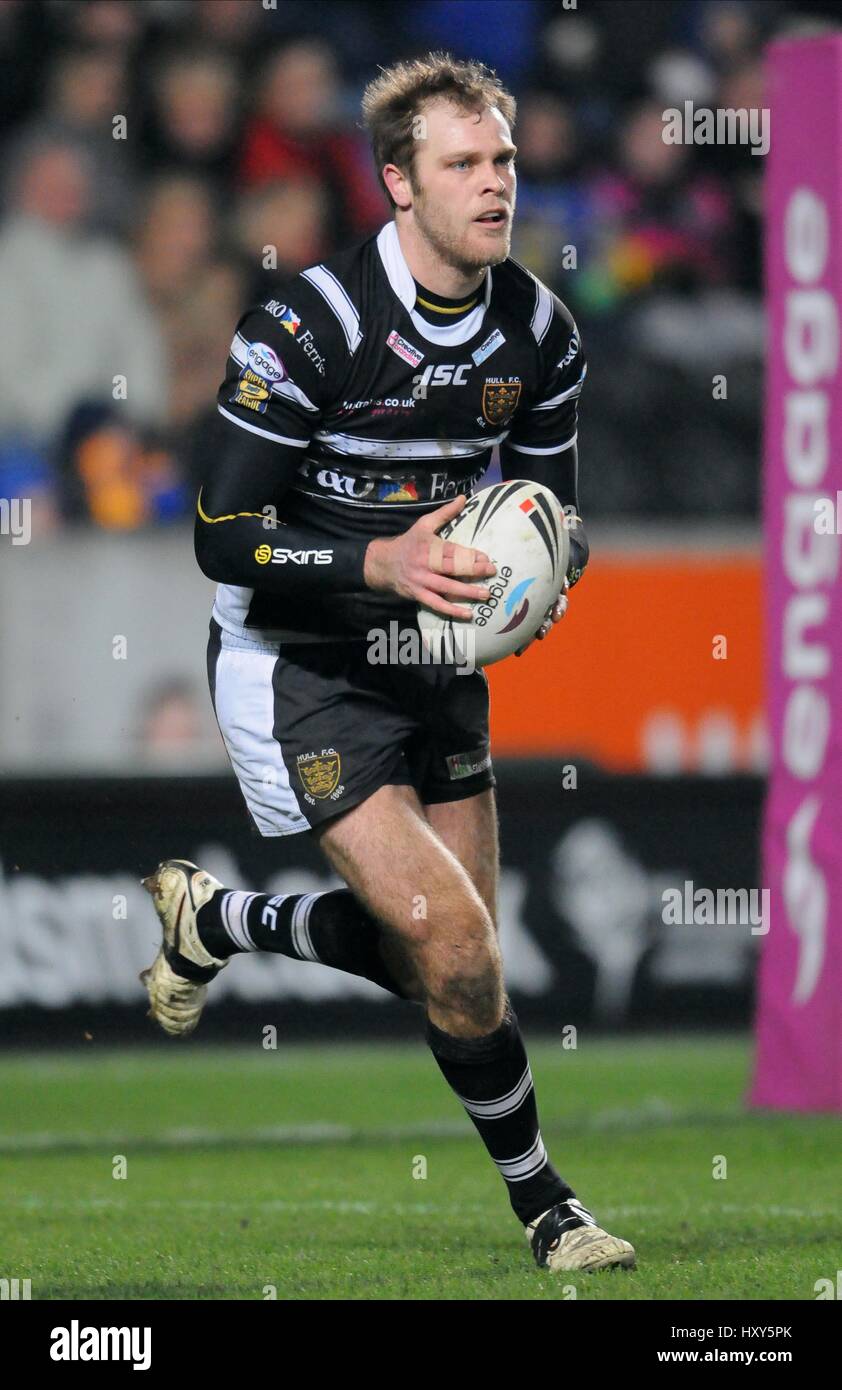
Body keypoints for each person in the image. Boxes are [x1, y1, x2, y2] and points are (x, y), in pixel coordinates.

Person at [140, 53, 634, 1277]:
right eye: (461, 163)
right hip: (297, 659)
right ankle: (551, 1213)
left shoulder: (539, 332)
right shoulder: (312, 327)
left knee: (459, 969)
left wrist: (543, 577)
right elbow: (219, 535)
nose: (493, 184)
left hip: (430, 654)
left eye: (504, 160)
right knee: (455, 952)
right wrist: (381, 568)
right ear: (398, 185)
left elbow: (549, 514)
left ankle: (225, 919)